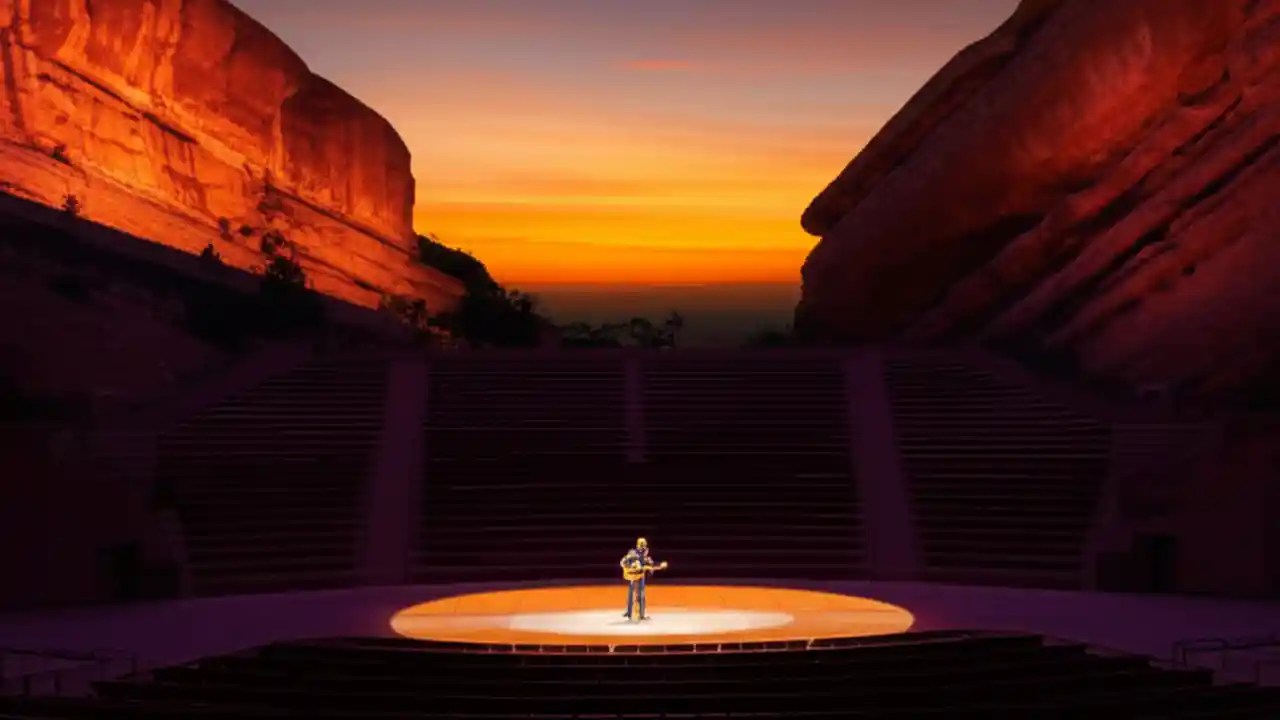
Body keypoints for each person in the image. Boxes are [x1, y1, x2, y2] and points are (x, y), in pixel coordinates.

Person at [620, 537, 665, 621]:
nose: (643, 547)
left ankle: (641, 614)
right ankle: (629, 612)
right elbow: (624, 562)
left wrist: (652, 567)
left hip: (640, 575)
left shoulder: (646, 556)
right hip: (633, 575)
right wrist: (628, 567)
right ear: (638, 545)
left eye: (644, 545)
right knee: (631, 594)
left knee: (641, 594)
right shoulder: (632, 553)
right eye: (642, 545)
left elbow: (650, 565)